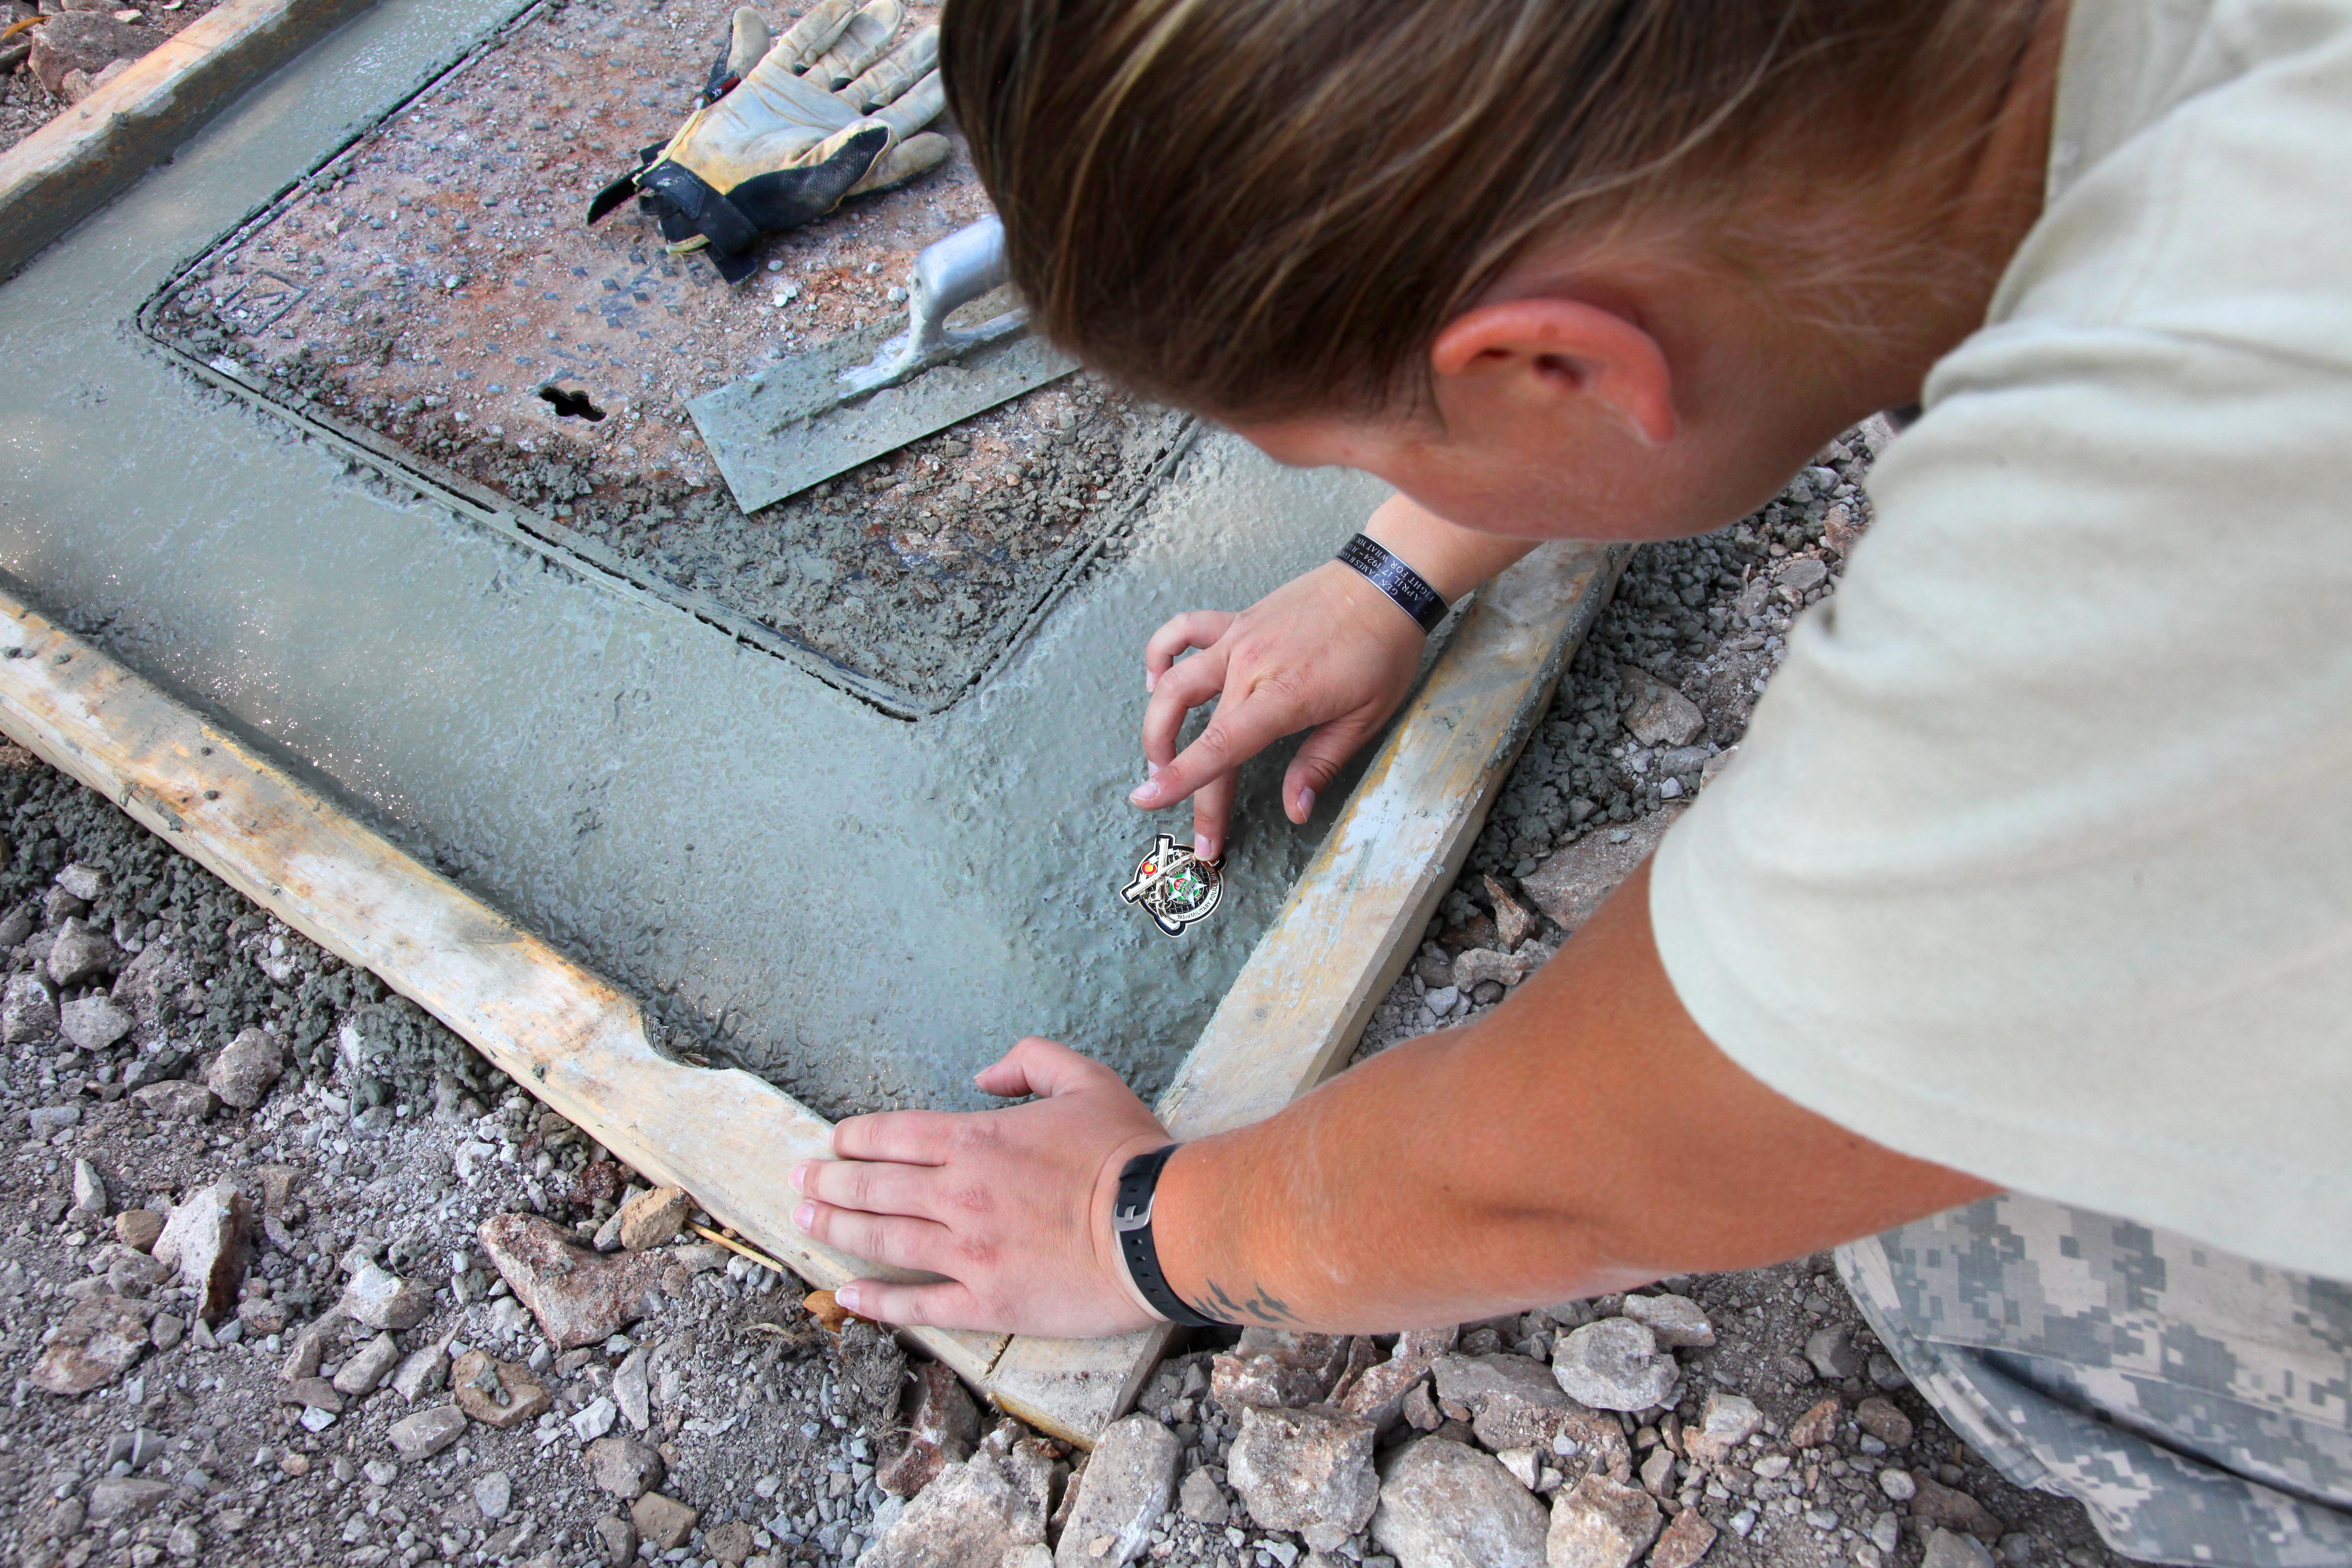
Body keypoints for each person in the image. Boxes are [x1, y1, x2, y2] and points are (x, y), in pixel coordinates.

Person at [784, 2, 2352, 1561]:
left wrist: (1135, 1226)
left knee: (1972, 1258)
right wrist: (1392, 573)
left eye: (1360, 454)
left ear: (1562, 362)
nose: (1378, 495)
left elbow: (1630, 1150)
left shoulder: (2171, 511)